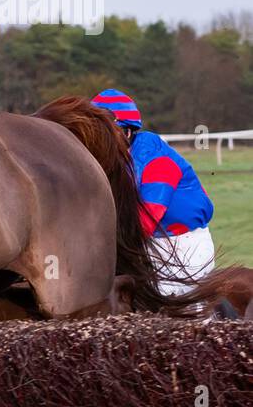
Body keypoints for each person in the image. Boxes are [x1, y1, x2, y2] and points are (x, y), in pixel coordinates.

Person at [91, 89, 216, 295]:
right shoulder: (114, 160)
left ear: (127, 132)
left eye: (102, 133)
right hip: (145, 246)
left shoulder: (158, 162)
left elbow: (143, 224)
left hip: (182, 249)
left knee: (164, 310)